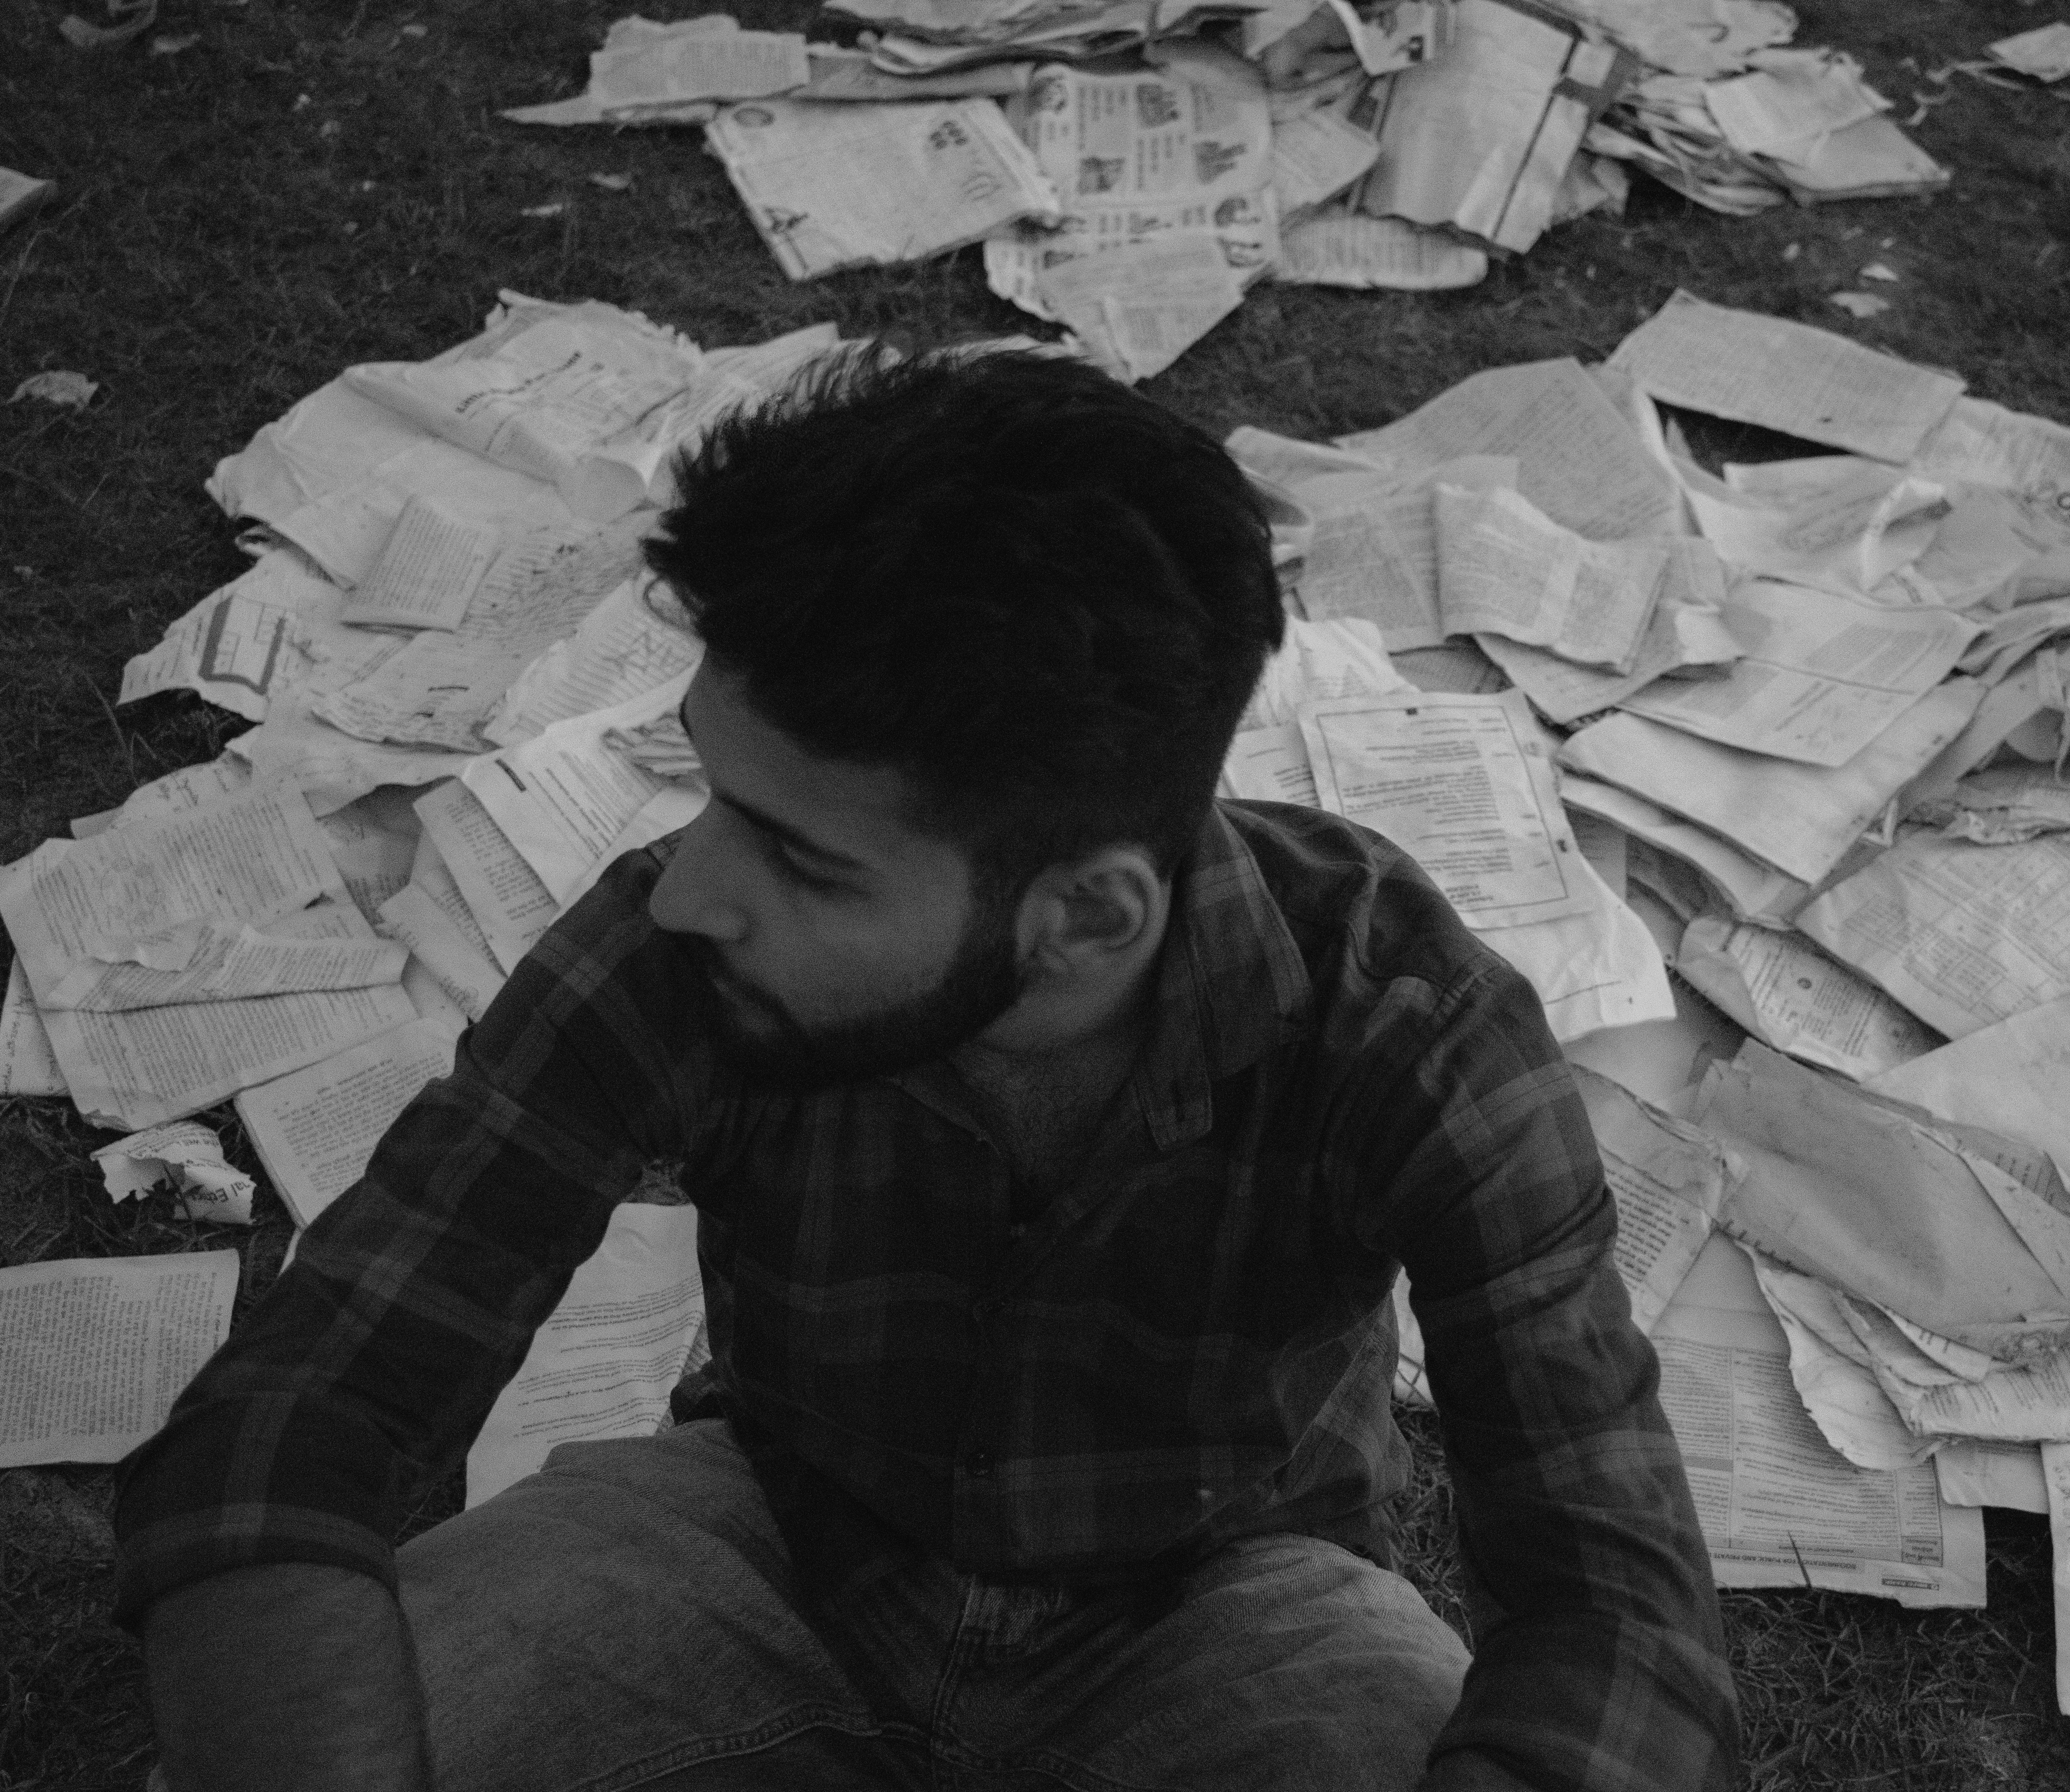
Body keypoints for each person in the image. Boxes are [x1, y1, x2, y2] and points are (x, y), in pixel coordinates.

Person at [114, 345, 1738, 1792]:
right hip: (766, 1535)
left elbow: (1615, 1595)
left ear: (1084, 916)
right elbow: (314, 1408)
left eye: (809, 864)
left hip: (1227, 1610)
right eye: (713, 785)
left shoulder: (1406, 1017)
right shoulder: (684, 942)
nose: (689, 889)